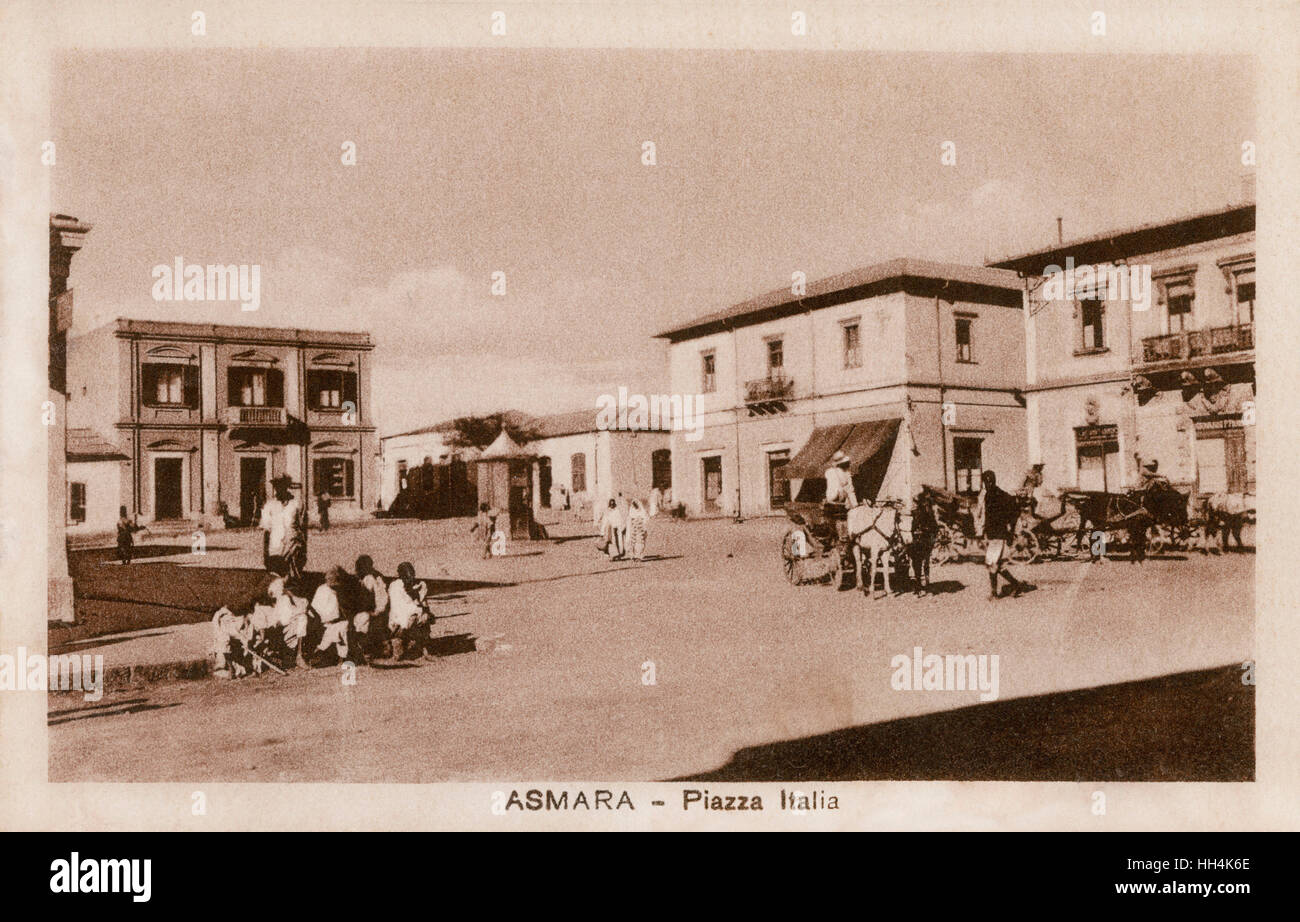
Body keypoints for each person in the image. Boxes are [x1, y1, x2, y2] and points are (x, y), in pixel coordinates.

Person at [977, 470, 1031, 600]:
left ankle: (994, 594)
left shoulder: (1000, 495)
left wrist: (1010, 531)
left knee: (991, 563)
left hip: (998, 535)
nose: (988, 484)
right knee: (999, 565)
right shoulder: (990, 495)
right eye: (986, 482)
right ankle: (1016, 585)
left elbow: (1014, 511)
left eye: (989, 481)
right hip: (992, 534)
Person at [260, 475, 305, 579]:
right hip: (275, 547)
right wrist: (265, 554)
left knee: (294, 577)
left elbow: (302, 528)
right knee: (277, 577)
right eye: (276, 487)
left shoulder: (296, 504)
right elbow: (266, 531)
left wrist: (303, 550)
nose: (278, 490)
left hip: (293, 546)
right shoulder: (269, 506)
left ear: (286, 487)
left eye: (281, 486)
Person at [305, 566, 352, 666]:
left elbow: (342, 609)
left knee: (343, 627)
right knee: (334, 632)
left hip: (336, 621)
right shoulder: (322, 590)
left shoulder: (337, 590)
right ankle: (318, 653)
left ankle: (342, 657)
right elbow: (315, 609)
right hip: (324, 622)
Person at [387, 561, 432, 660]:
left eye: (412, 576)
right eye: (407, 577)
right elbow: (398, 609)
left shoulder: (420, 585)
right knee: (418, 617)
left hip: (407, 621)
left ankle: (421, 646)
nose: (411, 579)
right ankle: (404, 645)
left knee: (423, 617)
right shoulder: (395, 587)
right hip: (400, 623)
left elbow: (423, 605)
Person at [354, 555, 389, 660]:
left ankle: (364, 650)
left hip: (376, 612)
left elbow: (366, 598)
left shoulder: (368, 579)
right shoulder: (378, 576)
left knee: (359, 620)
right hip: (382, 610)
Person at [910, 492, 939, 595]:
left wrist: (928, 532)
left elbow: (935, 528)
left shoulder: (929, 513)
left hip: (925, 539)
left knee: (925, 562)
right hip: (915, 539)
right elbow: (911, 527)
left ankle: (926, 584)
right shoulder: (914, 513)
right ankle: (918, 585)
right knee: (916, 563)